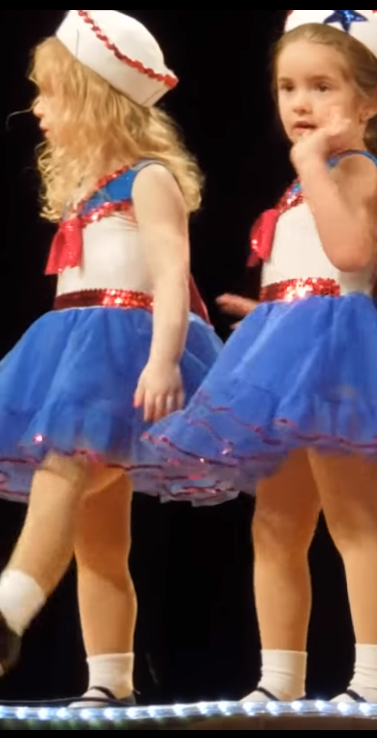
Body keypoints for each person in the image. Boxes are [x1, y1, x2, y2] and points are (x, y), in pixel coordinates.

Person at [143, 9, 377, 704]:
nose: (300, 102)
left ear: (373, 100)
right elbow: (304, 270)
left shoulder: (356, 168)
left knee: (355, 521)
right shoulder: (306, 181)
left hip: (343, 365)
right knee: (275, 524)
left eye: (322, 86)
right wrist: (265, 314)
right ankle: (279, 682)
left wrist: (307, 163)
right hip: (287, 357)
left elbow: (351, 255)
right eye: (288, 87)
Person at [0, 10, 225, 706]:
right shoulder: (83, 193)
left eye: (51, 92)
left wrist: (163, 361)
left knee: (61, 472)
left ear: (94, 95)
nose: (35, 107)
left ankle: (7, 608)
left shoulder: (147, 178)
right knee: (101, 542)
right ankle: (112, 682)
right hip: (71, 347)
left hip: (124, 349)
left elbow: (169, 274)